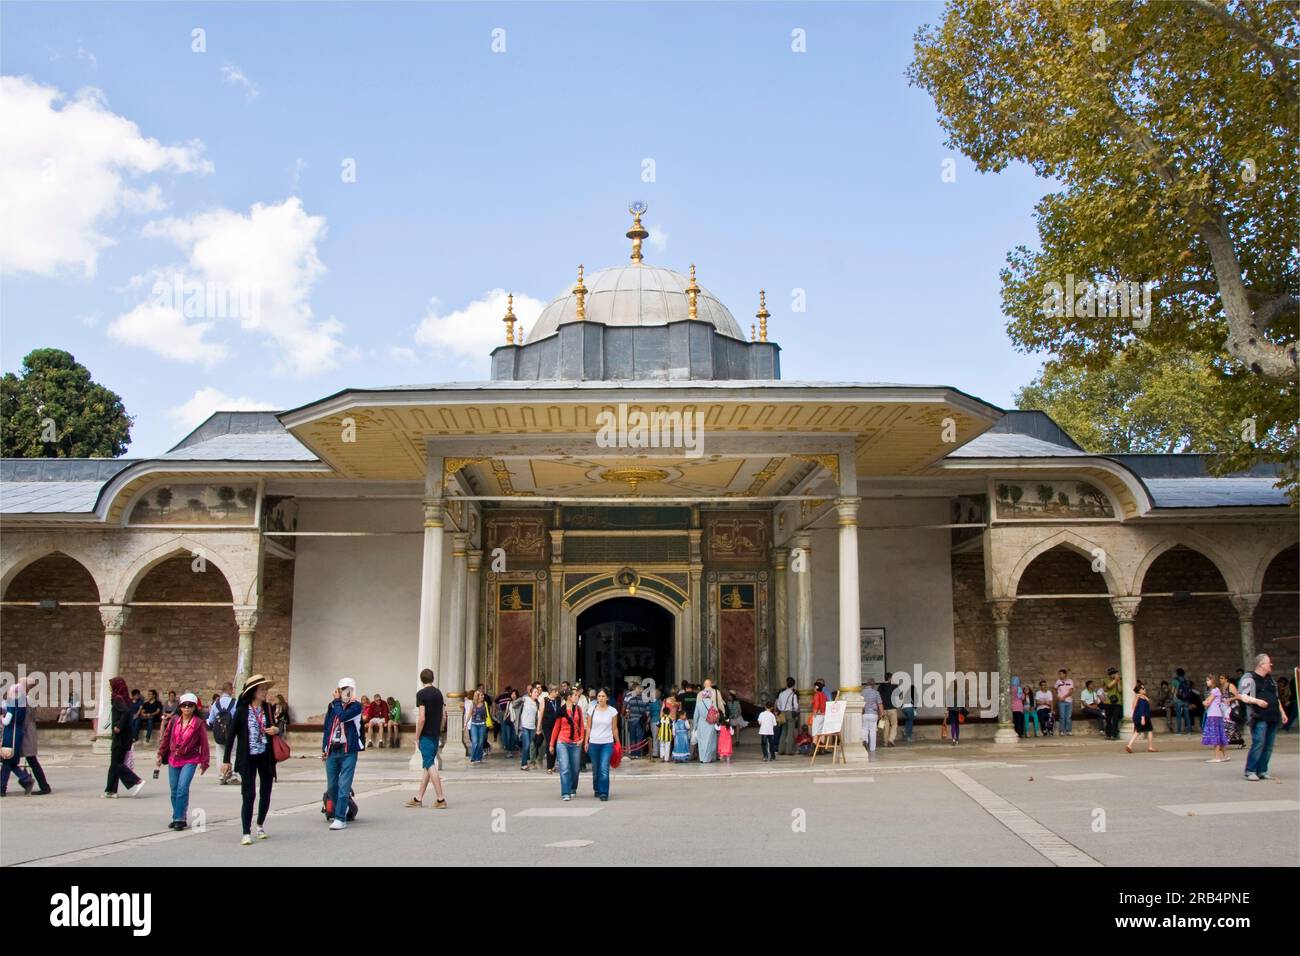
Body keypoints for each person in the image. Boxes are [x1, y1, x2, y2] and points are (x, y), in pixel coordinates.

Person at [221, 673, 279, 844]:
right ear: (253, 691)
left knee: (266, 792)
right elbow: (231, 736)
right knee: (248, 794)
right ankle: (246, 831)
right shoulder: (241, 711)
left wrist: (275, 730)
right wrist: (226, 760)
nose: (265, 692)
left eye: (266, 689)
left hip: (266, 756)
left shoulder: (268, 708)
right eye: (262, 689)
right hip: (248, 757)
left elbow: (276, 727)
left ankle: (260, 824)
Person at [155, 692, 209, 829]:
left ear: (194, 708)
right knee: (174, 789)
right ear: (180, 707)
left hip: (190, 758)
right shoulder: (174, 721)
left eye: (190, 706)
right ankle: (178, 815)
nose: (187, 708)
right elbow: (166, 738)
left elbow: (204, 743)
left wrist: (204, 762)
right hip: (174, 757)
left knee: (182, 788)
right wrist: (160, 754)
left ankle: (179, 819)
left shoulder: (198, 723)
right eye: (184, 705)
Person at [321, 677, 364, 830]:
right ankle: (347, 806)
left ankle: (340, 818)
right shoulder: (332, 706)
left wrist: (337, 702)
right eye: (343, 689)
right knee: (332, 785)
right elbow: (328, 727)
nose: (346, 692)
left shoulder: (356, 706)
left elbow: (343, 716)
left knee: (344, 785)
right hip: (333, 749)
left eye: (349, 689)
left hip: (348, 750)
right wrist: (324, 748)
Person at [1238, 653, 1289, 781]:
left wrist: (1282, 713)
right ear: (1261, 664)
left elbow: (1276, 698)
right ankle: (1250, 770)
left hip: (1272, 716)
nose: (1271, 664)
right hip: (1258, 716)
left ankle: (1262, 770)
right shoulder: (1249, 677)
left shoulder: (1270, 680)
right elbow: (1242, 695)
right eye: (1268, 662)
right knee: (1259, 742)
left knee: (1269, 745)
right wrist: (1257, 701)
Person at [407, 669, 448, 809]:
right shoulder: (439, 693)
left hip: (425, 734)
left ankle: (440, 798)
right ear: (433, 678)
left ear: (421, 679)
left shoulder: (421, 694)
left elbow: (422, 718)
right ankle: (418, 798)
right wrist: (440, 729)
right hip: (435, 734)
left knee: (430, 765)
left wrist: (417, 736)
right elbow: (444, 716)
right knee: (427, 766)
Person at [583, 688, 620, 801]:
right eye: (599, 696)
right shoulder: (591, 710)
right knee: (595, 769)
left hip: (607, 743)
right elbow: (588, 727)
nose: (601, 698)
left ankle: (604, 792)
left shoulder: (612, 711)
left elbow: (614, 728)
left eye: (603, 696)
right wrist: (586, 741)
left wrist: (617, 742)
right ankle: (597, 789)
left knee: (604, 767)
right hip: (594, 743)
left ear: (607, 698)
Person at [550, 688, 586, 801]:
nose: (577, 697)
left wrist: (582, 739)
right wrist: (551, 744)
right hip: (562, 741)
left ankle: (572, 788)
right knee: (565, 768)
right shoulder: (561, 710)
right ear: (569, 697)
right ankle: (565, 792)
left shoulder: (578, 709)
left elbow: (581, 725)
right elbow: (556, 728)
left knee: (575, 769)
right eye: (575, 695)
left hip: (575, 742)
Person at [1, 683, 36, 796]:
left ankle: (2, 788)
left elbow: (7, 721)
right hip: (17, 733)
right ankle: (25, 780)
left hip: (11, 733)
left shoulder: (13, 703)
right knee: (10, 762)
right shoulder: (22, 704)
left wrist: (1, 717)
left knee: (7, 760)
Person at [207, 682, 238, 784]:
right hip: (232, 732)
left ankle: (222, 776)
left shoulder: (216, 703)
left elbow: (210, 720)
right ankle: (232, 776)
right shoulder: (235, 702)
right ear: (230, 690)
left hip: (219, 733)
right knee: (233, 754)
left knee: (220, 754)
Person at [1200, 674, 1230, 762]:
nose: (1207, 682)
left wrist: (1204, 702)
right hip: (1217, 715)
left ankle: (1217, 757)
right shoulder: (1217, 690)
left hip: (1213, 715)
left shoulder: (1214, 691)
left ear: (1212, 681)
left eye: (1208, 680)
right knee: (1219, 735)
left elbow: (1207, 702)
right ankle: (1225, 755)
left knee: (1215, 735)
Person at [693, 679, 722, 763]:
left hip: (701, 724)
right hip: (711, 724)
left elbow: (696, 716)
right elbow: (717, 714)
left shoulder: (699, 704)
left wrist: (695, 727)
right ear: (709, 696)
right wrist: (717, 722)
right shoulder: (712, 703)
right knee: (710, 742)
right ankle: (708, 758)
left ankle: (702, 758)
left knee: (701, 742)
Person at [1124, 681, 1157, 753]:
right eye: (1143, 688)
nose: (1144, 689)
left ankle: (1130, 745)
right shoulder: (1141, 699)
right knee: (1148, 731)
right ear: (1139, 691)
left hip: (1139, 716)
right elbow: (1142, 709)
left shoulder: (1140, 697)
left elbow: (1134, 707)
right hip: (1144, 716)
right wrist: (1142, 718)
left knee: (1138, 731)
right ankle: (1150, 747)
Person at [624, 682, 649, 759]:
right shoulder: (645, 700)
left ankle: (633, 753)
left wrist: (627, 717)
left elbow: (627, 711)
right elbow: (648, 713)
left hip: (632, 721)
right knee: (639, 738)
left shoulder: (631, 700)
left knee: (632, 737)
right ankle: (638, 754)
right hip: (640, 722)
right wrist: (647, 723)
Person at [517, 684, 539, 770]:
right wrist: (520, 699)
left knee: (530, 745)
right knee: (526, 745)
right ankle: (524, 764)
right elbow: (515, 704)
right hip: (525, 726)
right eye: (535, 692)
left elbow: (537, 716)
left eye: (537, 692)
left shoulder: (537, 703)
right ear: (530, 693)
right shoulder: (525, 699)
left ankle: (528, 761)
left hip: (532, 727)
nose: (537, 694)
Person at [540, 685, 561, 772]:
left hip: (557, 725)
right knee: (550, 744)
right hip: (547, 726)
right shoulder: (544, 700)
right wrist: (538, 727)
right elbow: (541, 713)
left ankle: (552, 765)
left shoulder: (559, 700)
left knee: (556, 744)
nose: (557, 693)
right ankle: (549, 766)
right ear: (551, 691)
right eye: (555, 691)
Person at [861, 678, 884, 754]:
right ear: (873, 685)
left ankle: (865, 740)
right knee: (873, 731)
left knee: (864, 728)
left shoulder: (862, 693)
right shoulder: (876, 692)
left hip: (864, 713)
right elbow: (880, 704)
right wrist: (882, 714)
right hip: (873, 714)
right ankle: (872, 748)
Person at [776, 677, 799, 755]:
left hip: (783, 713)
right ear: (793, 685)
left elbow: (778, 705)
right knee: (790, 732)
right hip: (790, 713)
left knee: (783, 731)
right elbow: (796, 706)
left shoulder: (781, 694)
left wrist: (782, 710)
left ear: (787, 684)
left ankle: (781, 750)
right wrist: (795, 711)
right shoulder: (793, 694)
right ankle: (789, 751)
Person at [467, 689, 489, 764]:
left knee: (480, 742)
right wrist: (465, 724)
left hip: (482, 725)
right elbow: (469, 714)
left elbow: (486, 715)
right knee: (475, 742)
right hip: (474, 725)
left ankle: (479, 758)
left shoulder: (485, 704)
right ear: (477, 696)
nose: (483, 696)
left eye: (483, 695)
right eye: (481, 695)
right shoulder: (473, 704)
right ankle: (473, 758)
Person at [879, 673, 899, 747]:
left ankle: (885, 742)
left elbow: (879, 697)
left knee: (885, 726)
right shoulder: (894, 686)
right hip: (892, 708)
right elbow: (899, 695)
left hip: (884, 709)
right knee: (894, 724)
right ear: (890, 678)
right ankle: (891, 739)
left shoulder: (881, 687)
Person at [1102, 668, 1122, 740]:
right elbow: (1109, 686)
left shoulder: (1120, 680)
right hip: (1108, 702)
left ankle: (1114, 734)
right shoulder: (1106, 679)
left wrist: (1118, 681)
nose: (1112, 675)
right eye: (1111, 674)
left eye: (1114, 673)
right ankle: (1108, 734)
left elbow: (1120, 690)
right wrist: (1115, 680)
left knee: (1115, 719)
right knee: (1108, 719)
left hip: (1118, 702)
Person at [1172, 667, 1194, 733]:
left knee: (1178, 716)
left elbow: (1172, 691)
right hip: (1186, 700)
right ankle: (1189, 731)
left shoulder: (1175, 681)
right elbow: (1189, 690)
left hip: (1177, 700)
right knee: (1187, 716)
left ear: (1177, 673)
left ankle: (1179, 732)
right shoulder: (1186, 681)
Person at [1054, 669, 1074, 736]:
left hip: (1069, 701)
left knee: (1068, 716)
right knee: (1062, 716)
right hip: (1061, 702)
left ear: (1065, 674)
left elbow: (1071, 691)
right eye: (1059, 674)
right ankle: (1061, 730)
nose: (1060, 675)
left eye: (1061, 674)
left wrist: (1064, 697)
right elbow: (1055, 689)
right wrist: (1058, 696)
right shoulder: (1058, 681)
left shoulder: (1070, 681)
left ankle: (1068, 730)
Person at [656, 696, 675, 761]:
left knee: (662, 746)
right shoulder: (670, 720)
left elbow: (658, 726)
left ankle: (662, 757)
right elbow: (672, 727)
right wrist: (672, 734)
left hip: (661, 735)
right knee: (667, 747)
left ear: (663, 712)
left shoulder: (660, 719)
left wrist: (657, 734)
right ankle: (666, 759)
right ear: (669, 712)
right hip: (668, 736)